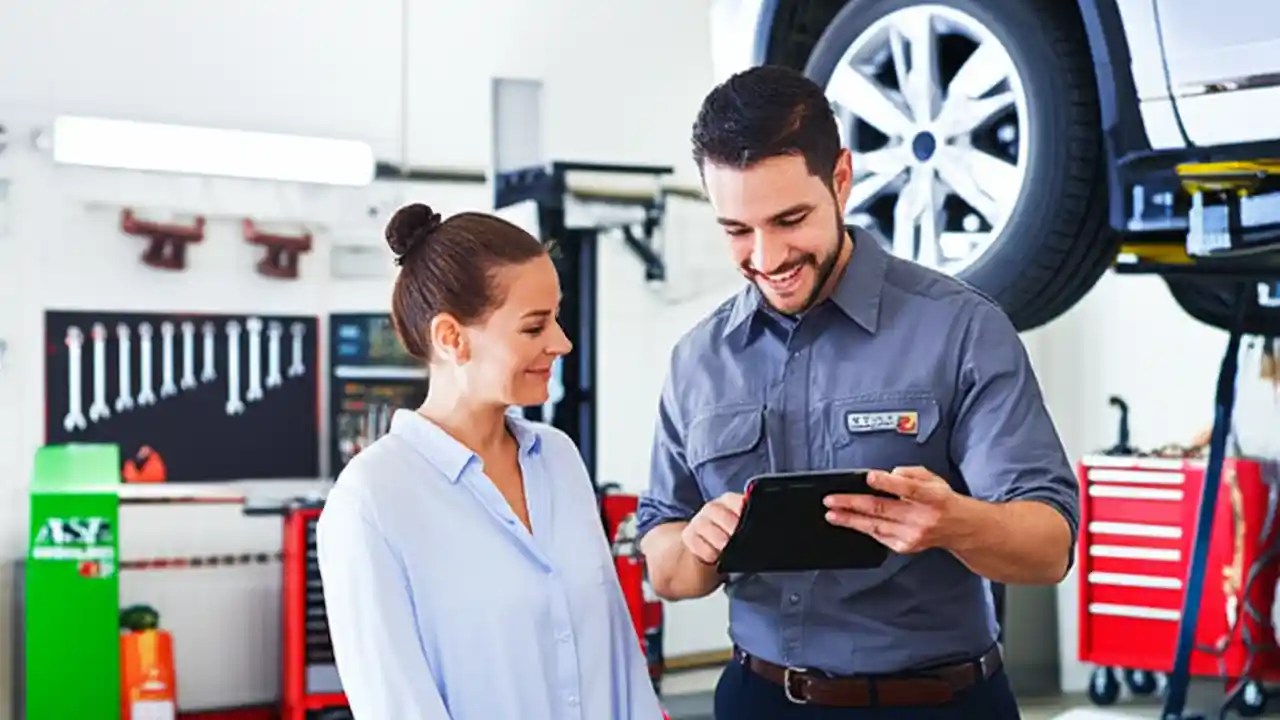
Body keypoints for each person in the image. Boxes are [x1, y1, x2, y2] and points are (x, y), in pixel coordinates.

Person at [636, 65, 1080, 718]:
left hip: (938, 703)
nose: (767, 256)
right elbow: (662, 560)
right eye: (737, 230)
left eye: (791, 219)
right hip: (758, 702)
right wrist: (697, 548)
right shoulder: (697, 360)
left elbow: (1049, 547)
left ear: (841, 179)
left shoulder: (960, 329)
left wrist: (957, 522)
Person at [317, 203, 665, 720]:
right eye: (534, 328)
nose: (562, 343)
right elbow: (398, 706)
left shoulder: (559, 460)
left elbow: (616, 652)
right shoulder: (372, 501)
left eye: (557, 318)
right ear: (451, 338)